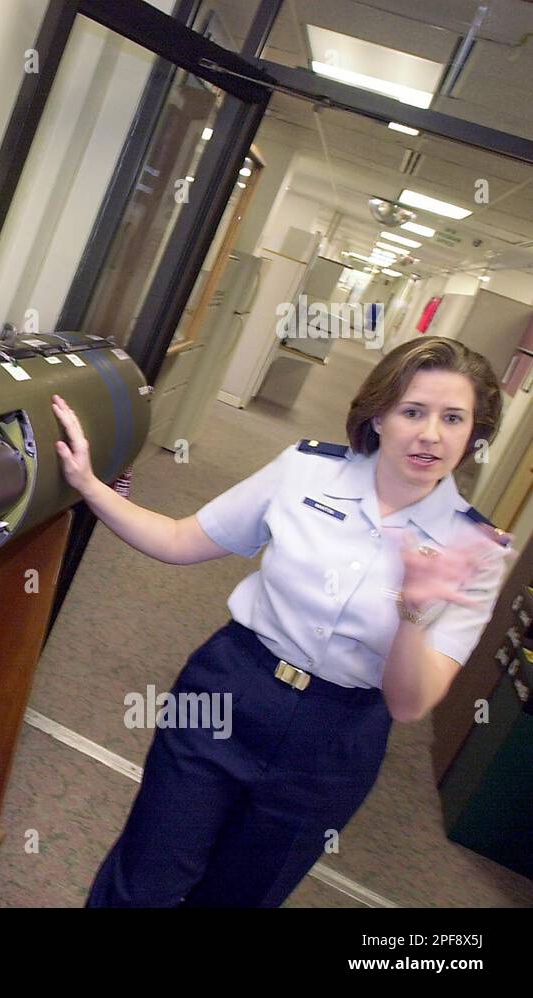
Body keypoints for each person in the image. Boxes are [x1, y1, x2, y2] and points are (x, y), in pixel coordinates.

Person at [51, 335, 514, 907]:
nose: (430, 434)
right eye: (412, 411)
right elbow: (179, 540)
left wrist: (413, 614)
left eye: (453, 418)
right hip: (230, 691)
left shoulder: (478, 548)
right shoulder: (305, 471)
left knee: (240, 899)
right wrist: (91, 485)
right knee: (144, 880)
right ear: (378, 414)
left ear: (476, 433)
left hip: (335, 740)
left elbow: (412, 702)